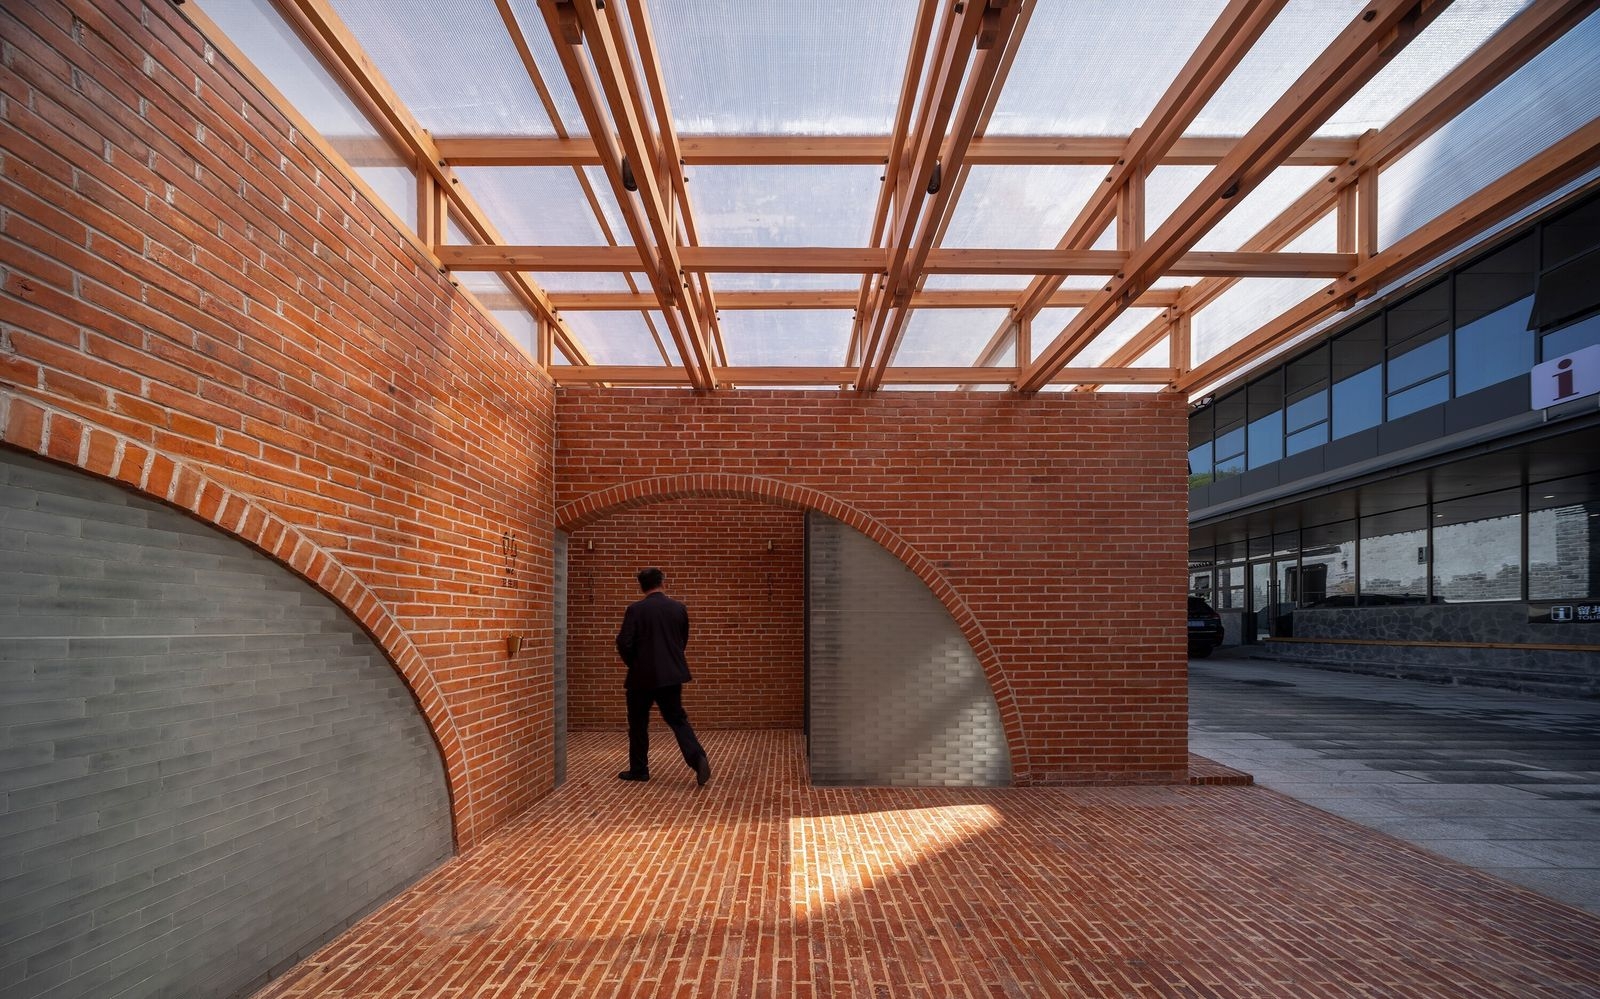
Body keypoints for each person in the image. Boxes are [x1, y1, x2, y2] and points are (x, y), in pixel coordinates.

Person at [614, 567, 712, 787]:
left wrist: (635, 663)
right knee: (677, 719)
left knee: (638, 723)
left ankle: (639, 770)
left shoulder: (635, 610)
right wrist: (670, 660)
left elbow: (623, 642)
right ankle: (697, 758)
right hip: (671, 675)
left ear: (642, 586)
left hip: (641, 678)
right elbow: (681, 640)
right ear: (662, 582)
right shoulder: (678, 608)